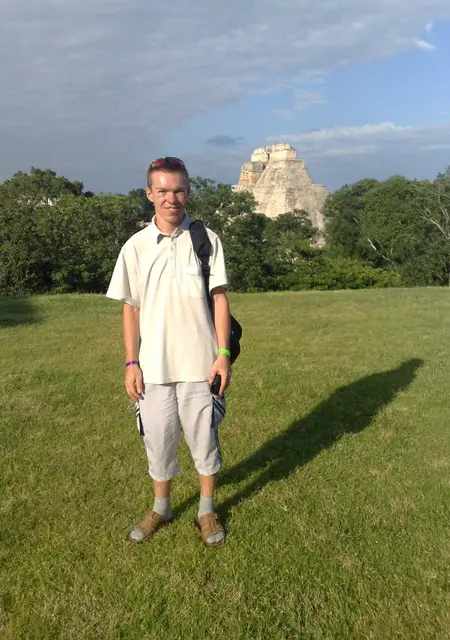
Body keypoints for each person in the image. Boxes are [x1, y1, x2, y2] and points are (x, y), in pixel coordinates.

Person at [106, 156, 231, 548]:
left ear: (188, 192)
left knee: (204, 441)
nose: (170, 198)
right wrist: (131, 362)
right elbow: (131, 309)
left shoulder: (207, 240)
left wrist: (223, 353)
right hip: (153, 368)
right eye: (162, 191)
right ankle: (161, 508)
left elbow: (219, 299)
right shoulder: (135, 247)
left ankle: (206, 510)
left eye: (178, 190)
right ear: (149, 194)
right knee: (158, 441)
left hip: (201, 365)